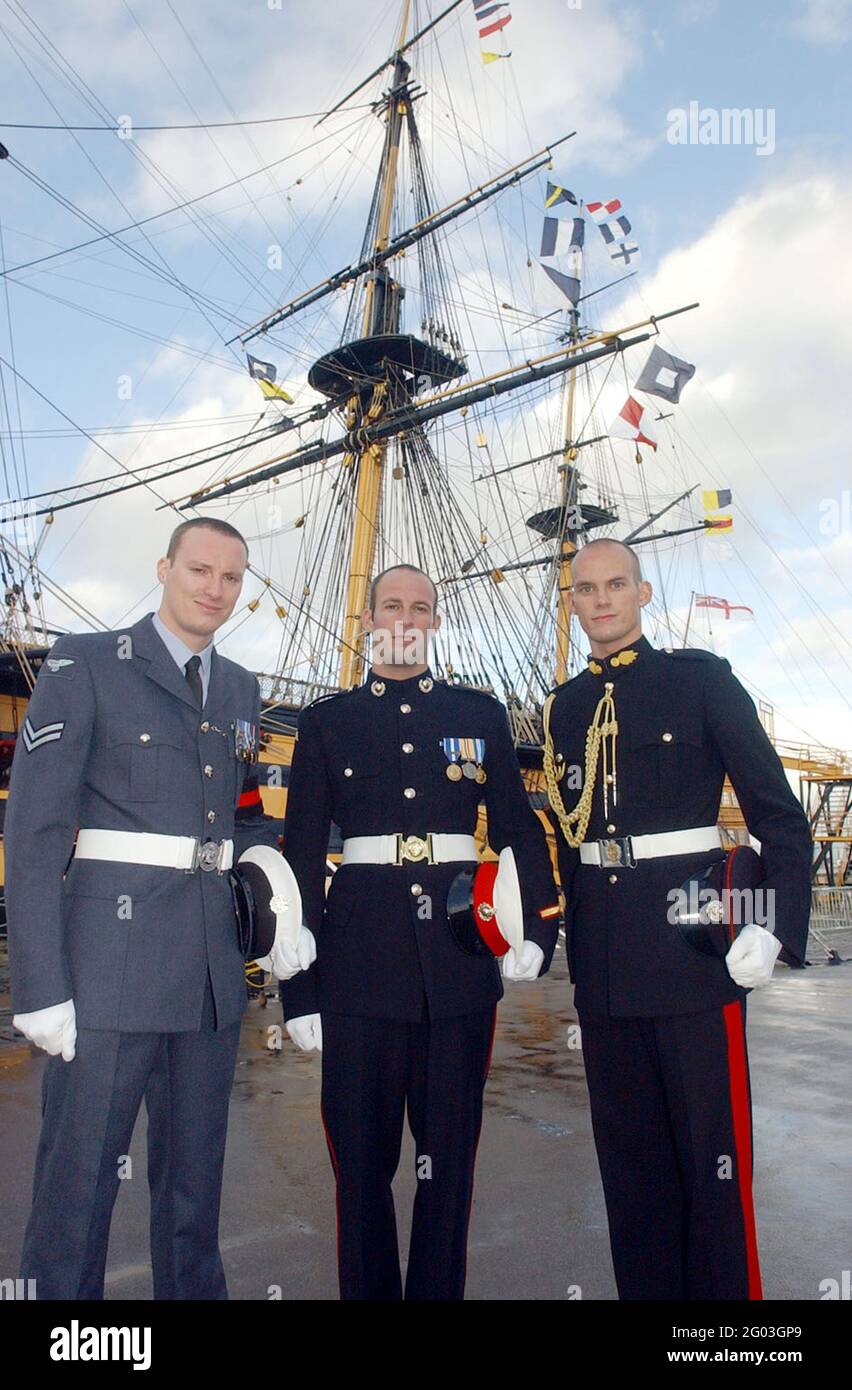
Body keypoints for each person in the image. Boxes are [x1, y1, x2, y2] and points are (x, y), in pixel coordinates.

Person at [7, 517, 311, 1300]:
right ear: (164, 568)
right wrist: (40, 986)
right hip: (106, 974)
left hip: (209, 974)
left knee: (192, 1194)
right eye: (199, 570)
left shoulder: (241, 687)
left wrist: (276, 895)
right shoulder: (86, 662)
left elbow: (242, 818)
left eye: (231, 577)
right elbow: (35, 829)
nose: (214, 588)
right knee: (77, 1192)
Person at [279, 564, 560, 1300]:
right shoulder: (327, 722)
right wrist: (298, 989)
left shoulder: (480, 714)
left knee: (450, 1168)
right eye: (392, 605)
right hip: (357, 969)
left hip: (457, 969)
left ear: (435, 621)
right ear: (369, 620)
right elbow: (302, 855)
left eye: (421, 607)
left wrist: (539, 926)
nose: (406, 617)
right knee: (360, 1172)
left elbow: (516, 828)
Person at [543, 538, 812, 1301]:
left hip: (694, 959)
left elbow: (779, 818)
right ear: (572, 601)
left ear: (642, 592)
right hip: (605, 972)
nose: (601, 601)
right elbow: (572, 839)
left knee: (713, 1172)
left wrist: (769, 921)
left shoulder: (701, 683)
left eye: (615, 585)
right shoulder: (563, 708)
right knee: (632, 1185)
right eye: (586, 589)